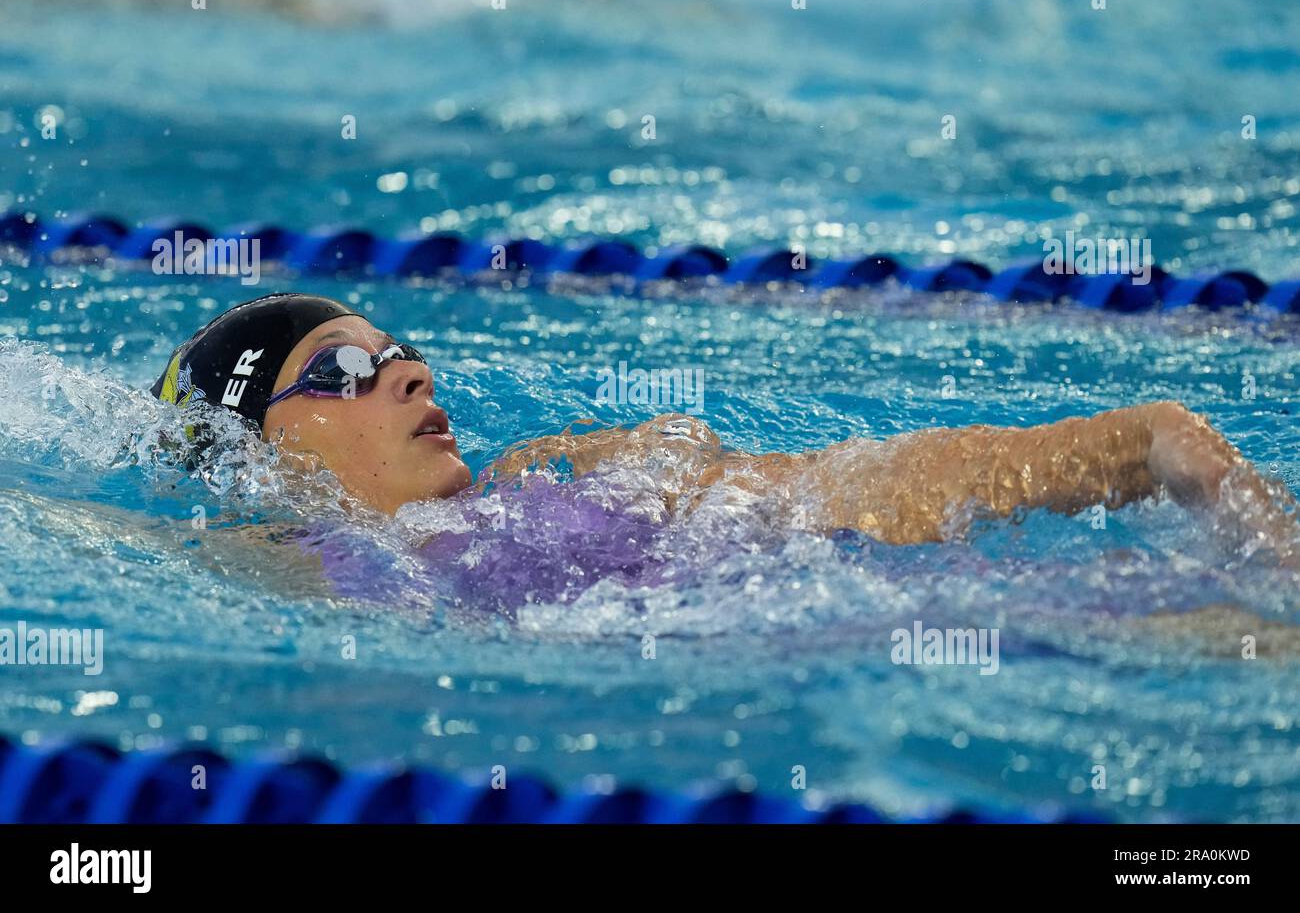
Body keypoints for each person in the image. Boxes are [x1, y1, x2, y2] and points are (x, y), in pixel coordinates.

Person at [151, 293, 1300, 563]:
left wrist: (1132, 442)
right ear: (258, 447)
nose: (408, 373)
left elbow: (838, 488)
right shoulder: (262, 568)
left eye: (404, 353)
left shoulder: (566, 481)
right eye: (346, 368)